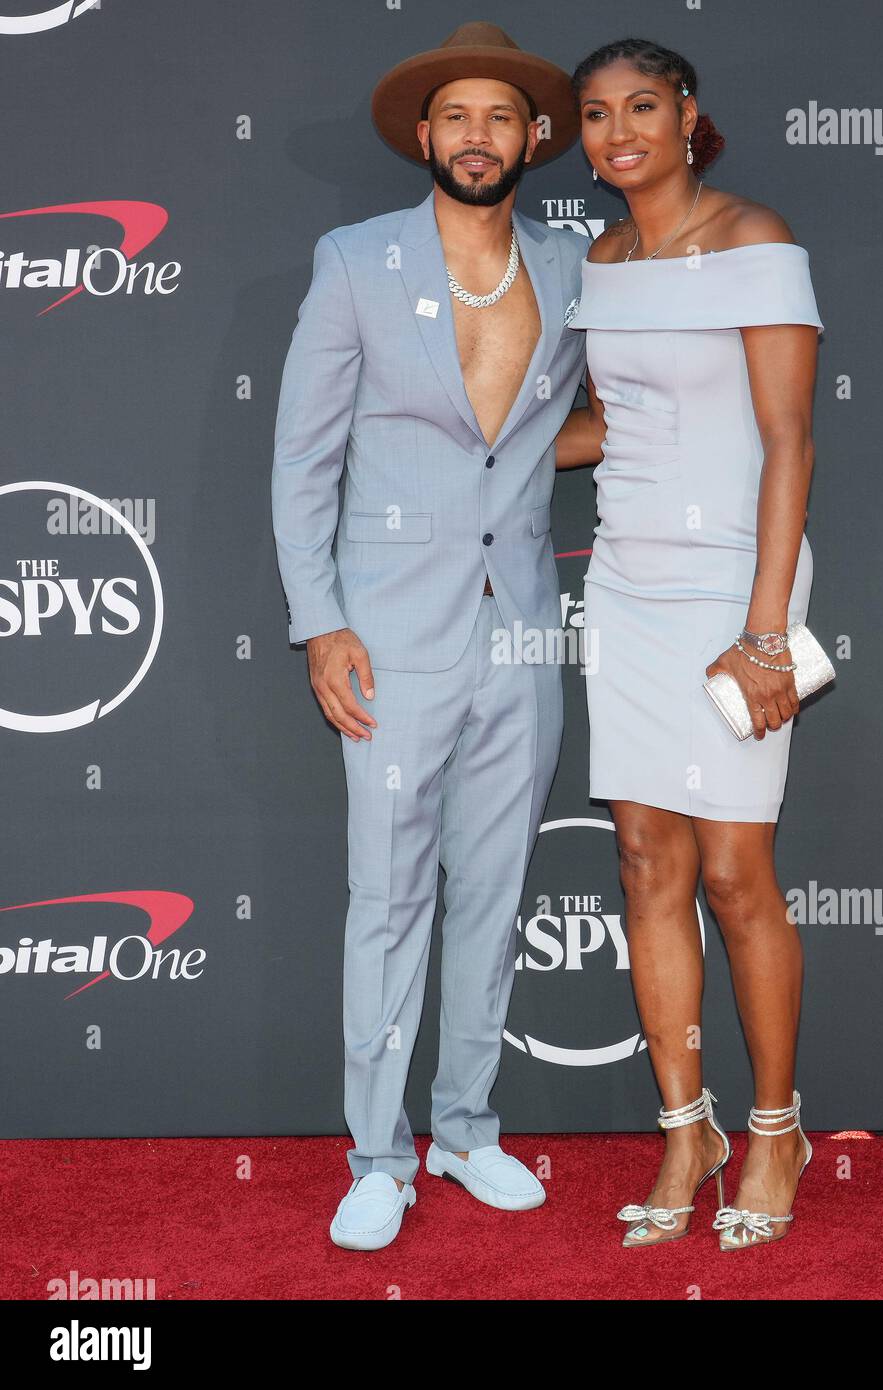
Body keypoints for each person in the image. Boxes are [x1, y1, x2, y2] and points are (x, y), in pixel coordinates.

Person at [271, 22, 587, 1251]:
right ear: (424, 136)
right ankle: (377, 1154)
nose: (476, 136)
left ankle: (465, 1128)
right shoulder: (353, 261)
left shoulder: (567, 267)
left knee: (493, 891)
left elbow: (545, 429)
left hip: (521, 632)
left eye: (499, 118)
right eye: (455, 117)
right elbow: (304, 456)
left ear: (530, 140)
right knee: (389, 897)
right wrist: (321, 622)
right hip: (390, 639)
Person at [557, 37, 825, 1250]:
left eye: (641, 107)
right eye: (597, 113)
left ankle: (774, 1126)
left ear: (686, 116)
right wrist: (455, 440)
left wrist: (765, 634)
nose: (619, 131)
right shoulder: (598, 260)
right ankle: (686, 1129)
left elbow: (787, 444)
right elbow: (610, 423)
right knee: (644, 863)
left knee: (732, 872)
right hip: (622, 583)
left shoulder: (754, 239)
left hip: (733, 584)